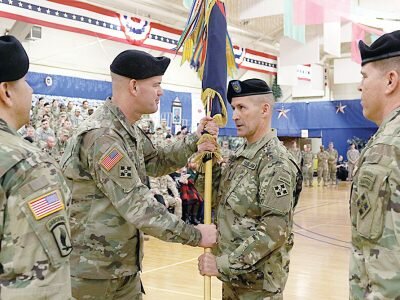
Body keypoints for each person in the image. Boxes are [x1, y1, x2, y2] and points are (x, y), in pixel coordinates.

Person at [60, 49, 218, 299]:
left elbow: (155, 162)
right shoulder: (103, 137)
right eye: (156, 85)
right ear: (134, 86)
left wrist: (194, 142)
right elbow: (138, 205)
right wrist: (195, 234)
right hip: (94, 274)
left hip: (121, 268)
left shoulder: (126, 129)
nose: (161, 92)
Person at [197, 79, 302, 299]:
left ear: (265, 109)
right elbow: (213, 196)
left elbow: (275, 230)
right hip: (234, 281)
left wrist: (224, 264)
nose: (234, 115)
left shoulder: (276, 162)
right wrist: (208, 157)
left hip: (258, 287)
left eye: (242, 108)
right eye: (234, 108)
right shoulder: (242, 155)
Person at [0, 35, 73, 299]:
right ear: (6, 92)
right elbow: (40, 285)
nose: (31, 90)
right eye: (26, 81)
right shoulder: (30, 168)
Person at [349, 30, 400, 299]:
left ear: (391, 80)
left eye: (364, 76)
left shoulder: (393, 143)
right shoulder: (384, 137)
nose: (360, 86)